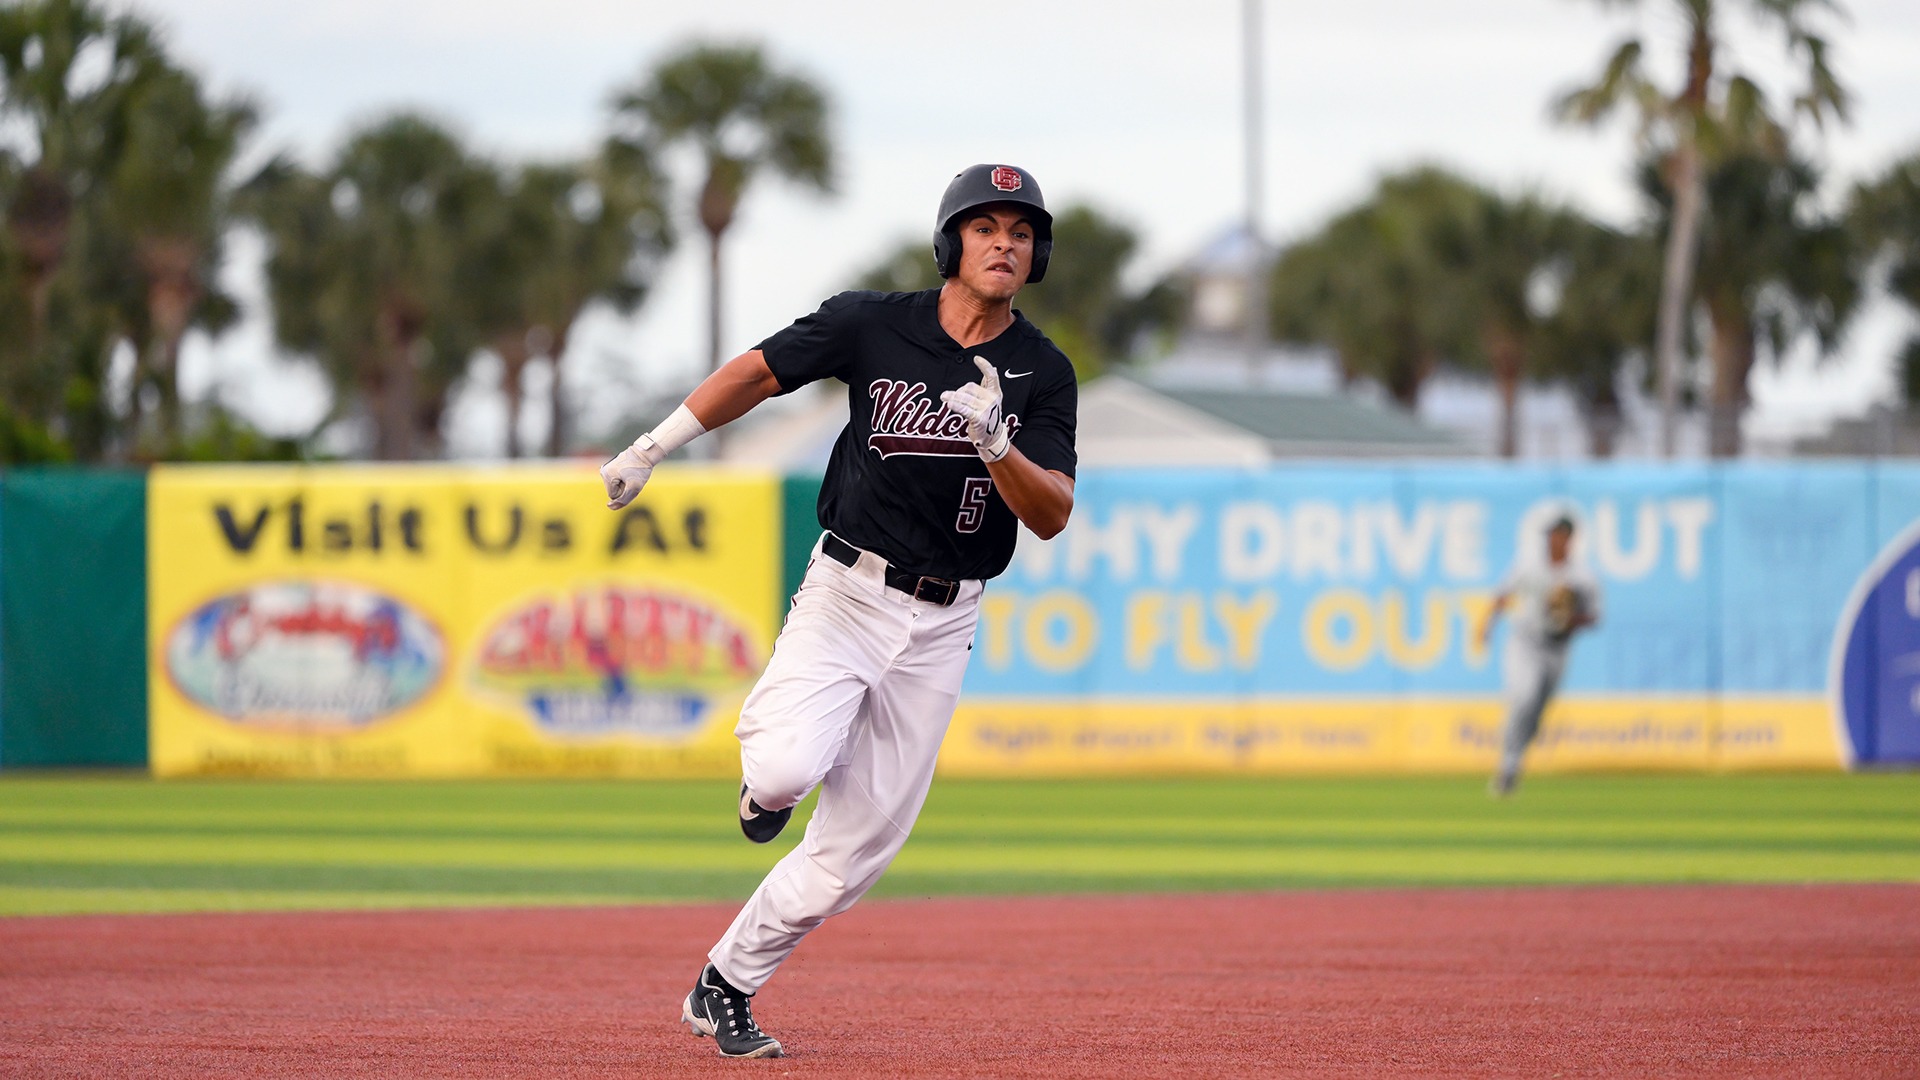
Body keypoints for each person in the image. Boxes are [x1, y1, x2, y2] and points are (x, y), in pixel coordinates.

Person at [597, 163, 1077, 1059]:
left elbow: (1049, 512)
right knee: (783, 773)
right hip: (849, 589)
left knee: (860, 848)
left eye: (1021, 230)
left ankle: (725, 983)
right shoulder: (873, 323)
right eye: (986, 227)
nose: (1004, 242)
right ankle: (759, 786)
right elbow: (760, 372)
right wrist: (653, 445)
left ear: (1036, 251)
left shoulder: (1042, 372)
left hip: (946, 621)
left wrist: (999, 444)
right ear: (952, 243)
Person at [1478, 514, 1602, 797]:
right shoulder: (1528, 565)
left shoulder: (1582, 576)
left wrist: (1571, 619)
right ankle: (1508, 766)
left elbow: (1594, 617)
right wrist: (1486, 626)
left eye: (1558, 535)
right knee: (1522, 697)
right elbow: (1502, 594)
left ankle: (1516, 757)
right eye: (1549, 535)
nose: (1552, 540)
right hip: (1525, 642)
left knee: (1536, 711)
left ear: (1569, 538)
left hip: (1557, 649)